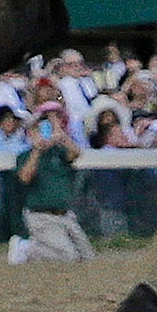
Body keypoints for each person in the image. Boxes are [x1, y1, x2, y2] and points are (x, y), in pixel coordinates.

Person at [12, 107, 92, 262]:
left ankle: (39, 246)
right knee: (68, 256)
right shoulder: (24, 156)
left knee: (87, 257)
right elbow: (25, 177)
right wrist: (37, 150)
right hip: (41, 216)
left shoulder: (58, 153)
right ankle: (27, 249)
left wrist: (61, 135)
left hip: (65, 215)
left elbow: (75, 153)